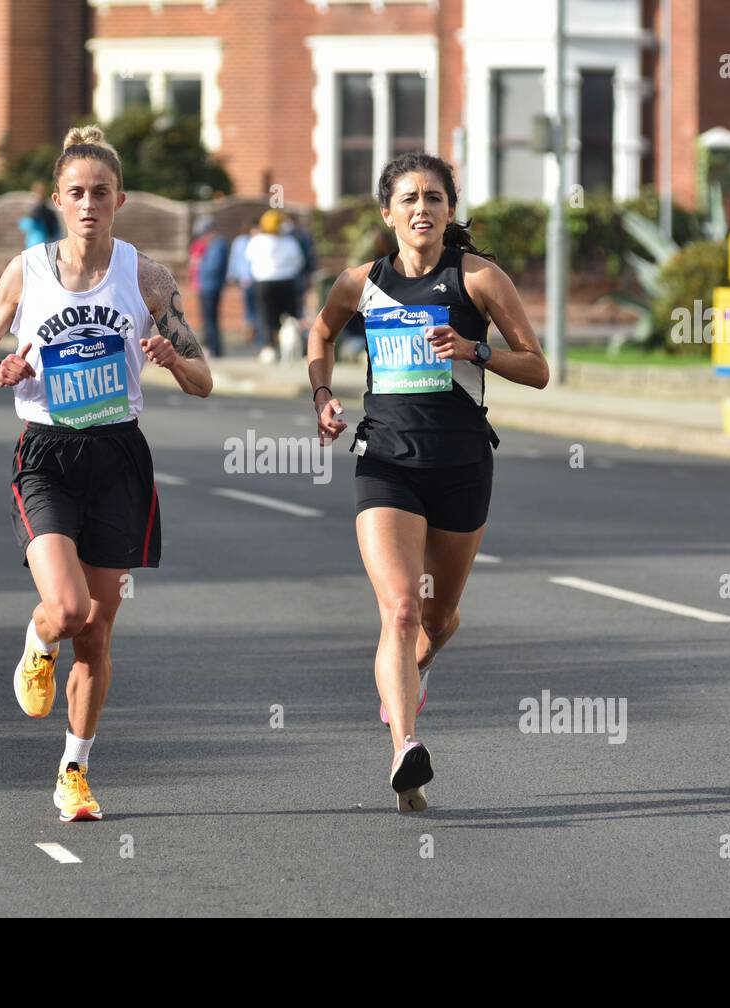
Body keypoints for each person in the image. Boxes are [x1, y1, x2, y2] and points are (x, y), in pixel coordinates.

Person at [0, 125, 213, 822]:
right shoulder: (29, 270)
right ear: (56, 201)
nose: (88, 204)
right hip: (46, 453)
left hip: (118, 457)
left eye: (100, 192)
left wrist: (173, 356)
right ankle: (38, 639)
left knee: (99, 634)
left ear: (120, 200)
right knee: (69, 611)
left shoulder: (149, 277)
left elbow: (204, 379)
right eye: (75, 193)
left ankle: (73, 770)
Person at [306, 151, 548, 814]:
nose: (422, 209)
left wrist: (475, 351)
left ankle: (409, 678)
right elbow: (321, 334)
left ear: (449, 210)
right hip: (385, 461)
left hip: (463, 464)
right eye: (409, 198)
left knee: (437, 618)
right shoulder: (360, 283)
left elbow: (538, 367)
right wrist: (323, 394)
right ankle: (405, 746)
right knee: (401, 609)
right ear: (387, 214)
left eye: (434, 198)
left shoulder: (478, 280)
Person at [245, 209, 303, 358]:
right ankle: (292, 348)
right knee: (288, 317)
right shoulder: (290, 242)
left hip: (263, 282)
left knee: (265, 316)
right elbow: (298, 262)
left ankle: (269, 348)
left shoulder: (256, 241)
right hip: (287, 281)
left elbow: (249, 259)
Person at [189, 216, 229, 356]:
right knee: (207, 319)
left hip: (211, 286)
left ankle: (214, 349)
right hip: (205, 286)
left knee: (210, 319)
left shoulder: (218, 244)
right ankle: (211, 347)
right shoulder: (213, 244)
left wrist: (199, 263)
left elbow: (214, 266)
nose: (202, 238)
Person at [226, 216, 259, 347]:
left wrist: (232, 274)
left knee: (252, 309)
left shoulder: (245, 241)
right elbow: (234, 260)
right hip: (248, 279)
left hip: (253, 279)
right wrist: (232, 275)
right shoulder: (244, 241)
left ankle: (252, 335)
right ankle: (250, 335)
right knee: (251, 309)